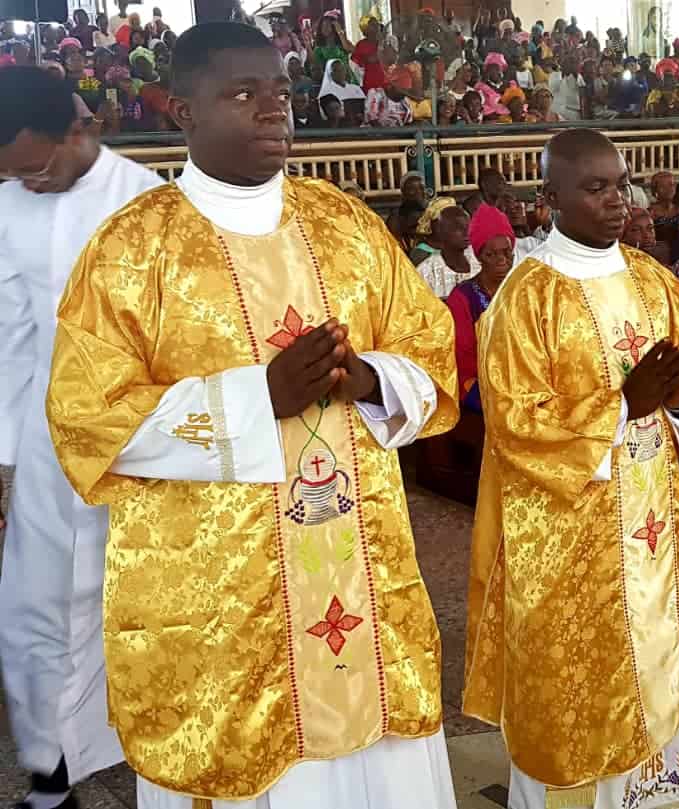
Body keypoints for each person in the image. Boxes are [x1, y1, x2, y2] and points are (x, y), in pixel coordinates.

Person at [44, 23, 460, 809]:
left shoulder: (346, 225)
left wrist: (371, 376)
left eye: (282, 93)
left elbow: (429, 352)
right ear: (180, 113)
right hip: (225, 609)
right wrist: (253, 399)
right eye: (243, 94)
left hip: (361, 589)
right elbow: (86, 416)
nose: (275, 111)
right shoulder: (133, 248)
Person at [463, 127, 679, 809]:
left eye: (622, 182)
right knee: (578, 678)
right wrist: (621, 406)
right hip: (568, 536)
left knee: (657, 650)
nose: (618, 200)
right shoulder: (526, 296)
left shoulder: (655, 280)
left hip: (653, 520)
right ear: (550, 198)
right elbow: (516, 420)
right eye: (596, 187)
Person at [0, 65, 162, 809]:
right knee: (36, 602)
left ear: (79, 128)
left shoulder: (148, 203)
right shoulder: (6, 208)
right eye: (11, 172)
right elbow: (9, 337)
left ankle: (157, 750)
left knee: (136, 597)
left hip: (141, 436)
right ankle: (51, 771)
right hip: (42, 437)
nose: (26, 184)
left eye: (37, 167)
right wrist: (3, 456)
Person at [446, 204, 514, 413]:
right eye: (491, 254)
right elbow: (463, 359)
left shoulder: (522, 290)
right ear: (479, 256)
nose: (501, 260)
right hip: (480, 386)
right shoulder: (463, 298)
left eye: (506, 252)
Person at [415, 202, 480, 298]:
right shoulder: (425, 272)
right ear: (441, 231)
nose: (466, 232)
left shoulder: (481, 263)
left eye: (468, 226)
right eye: (458, 228)